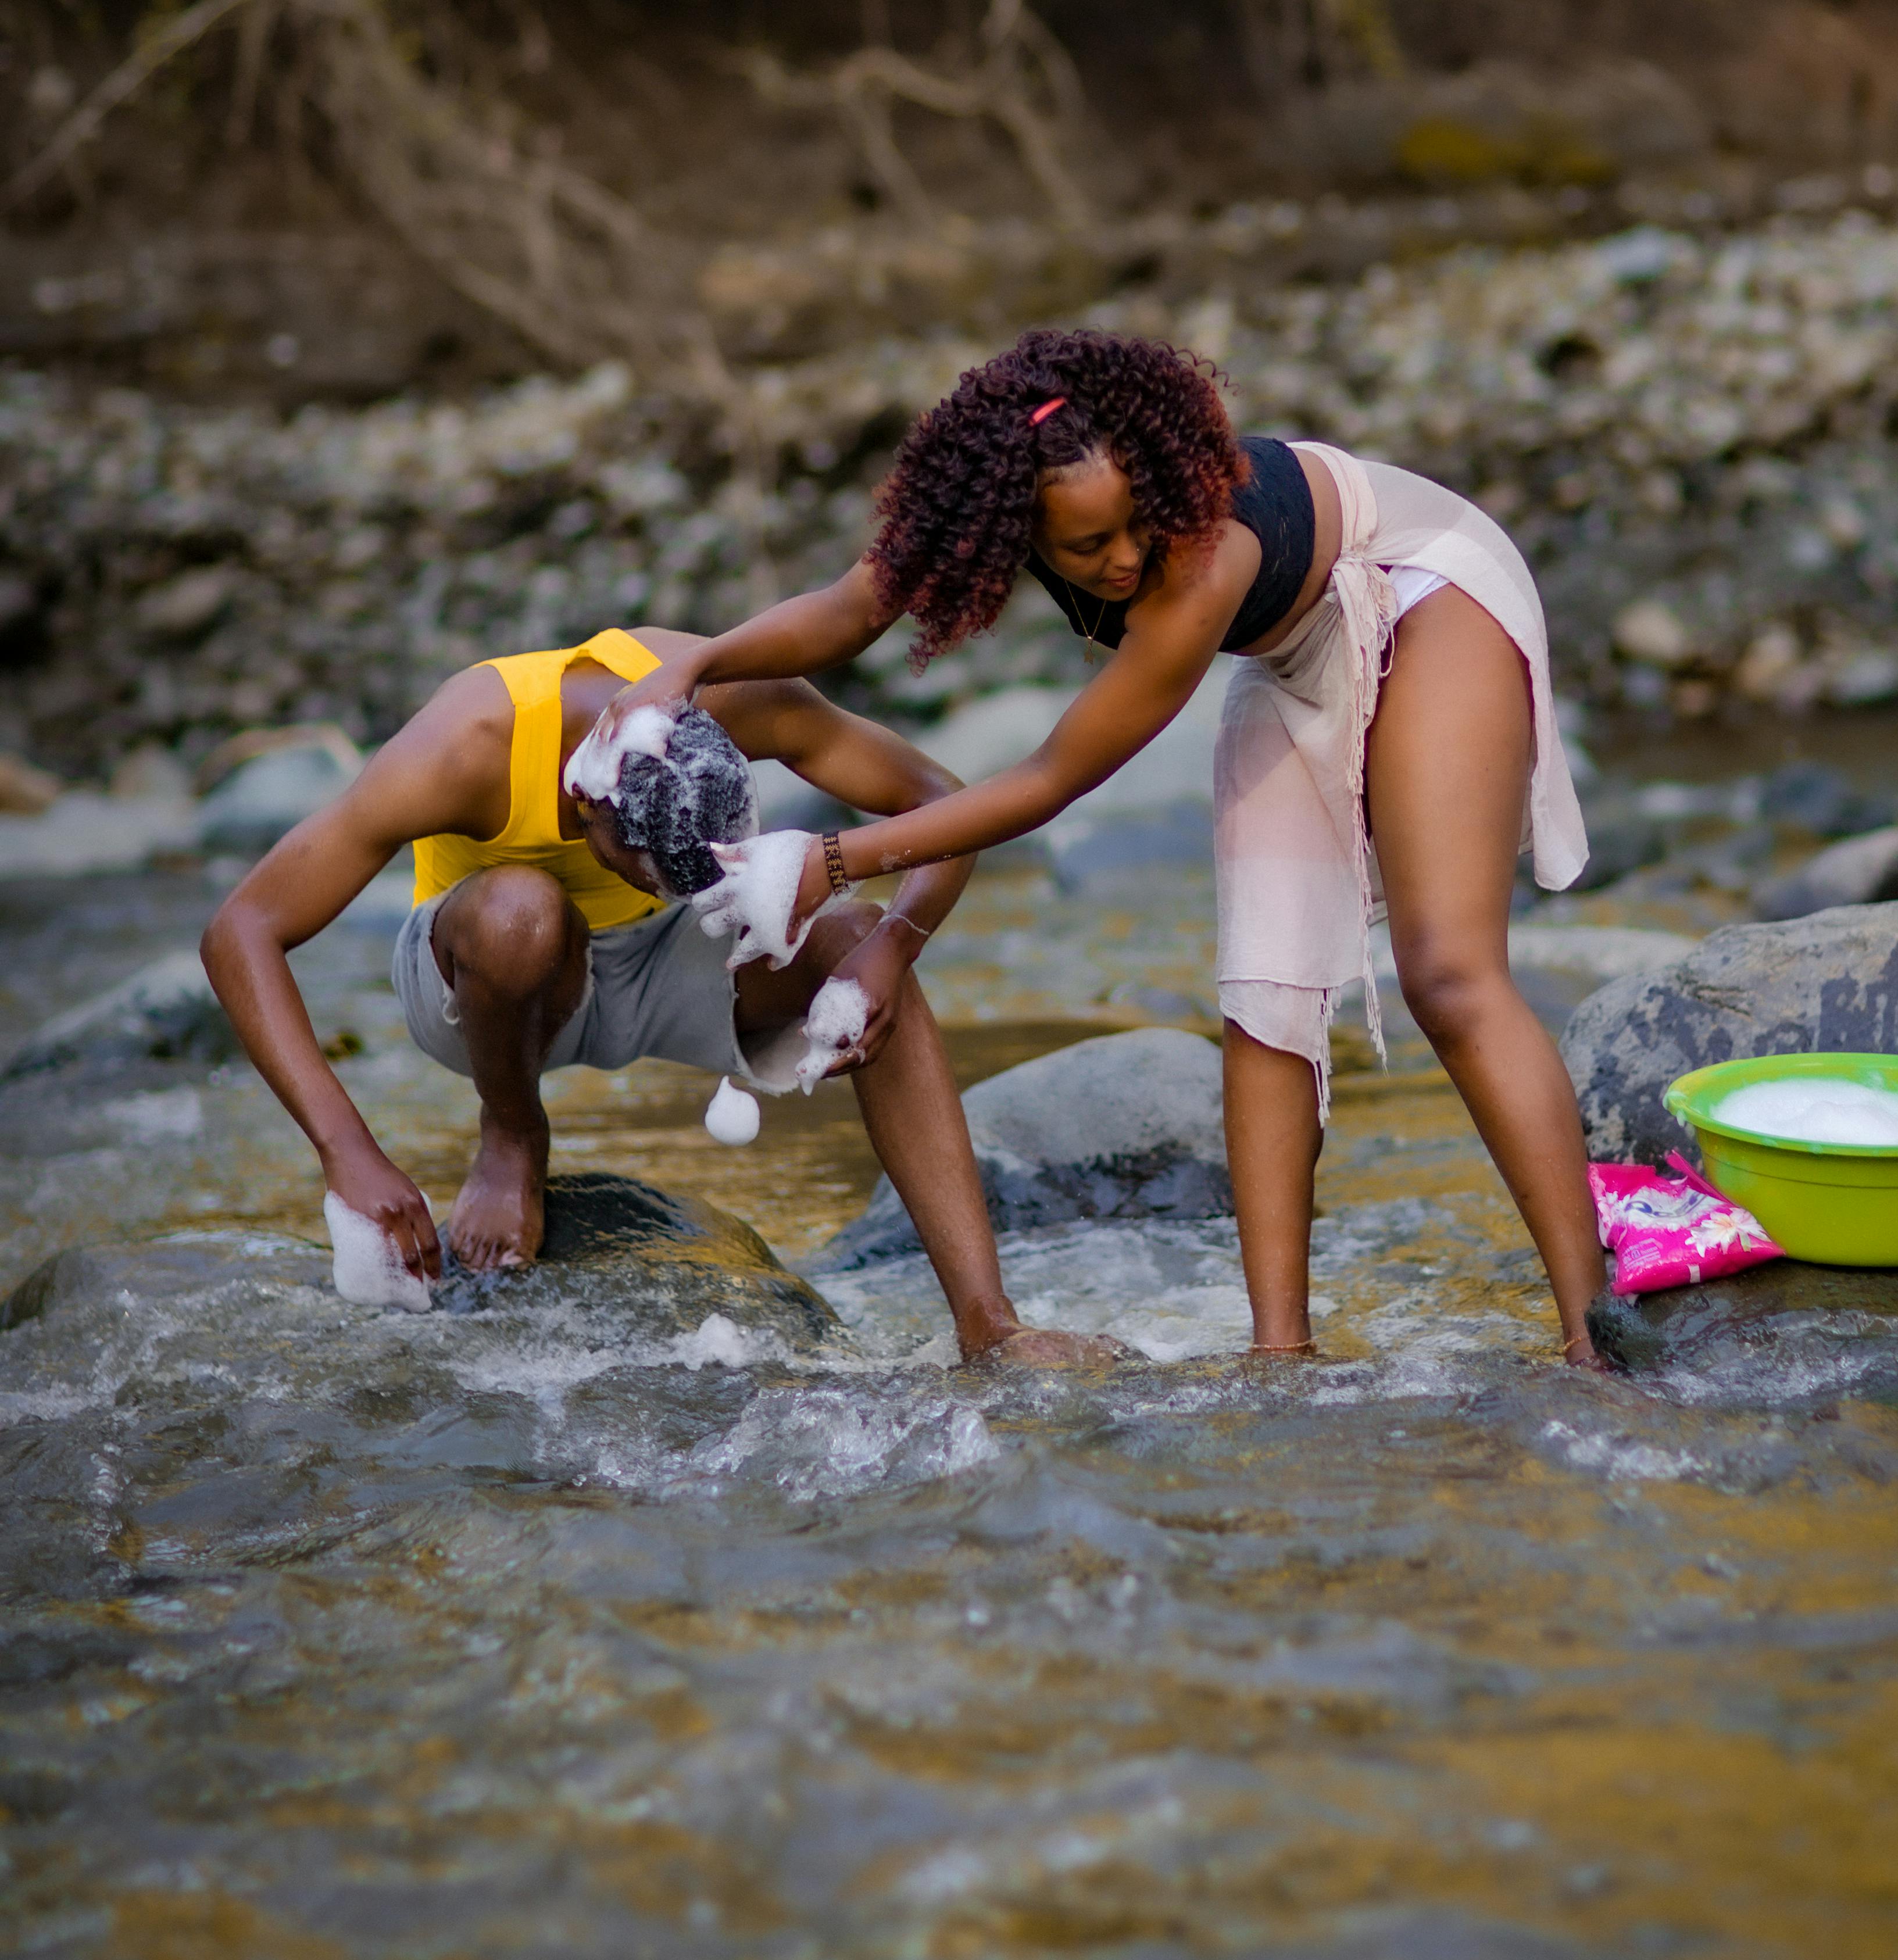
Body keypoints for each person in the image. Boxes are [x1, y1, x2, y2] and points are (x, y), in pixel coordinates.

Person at [596, 334, 1611, 1367]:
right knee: (1262, 991)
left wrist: (838, 859)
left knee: (1445, 974)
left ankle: (1591, 1332)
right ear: (1016, 527)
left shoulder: (1203, 559)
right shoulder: (991, 513)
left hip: (1423, 591)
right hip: (1291, 653)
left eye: (1135, 523)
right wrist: (699, 666)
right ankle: (1280, 1358)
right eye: (1087, 548)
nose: (1123, 558)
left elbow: (1049, 779)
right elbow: (851, 611)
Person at [201, 624, 1109, 1365]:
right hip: (489, 987)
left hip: (669, 968)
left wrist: (891, 951)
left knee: (857, 932)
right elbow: (240, 931)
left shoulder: (730, 694)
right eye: (651, 869)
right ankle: (512, 1132)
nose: (679, 883)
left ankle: (989, 1327)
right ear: (586, 797)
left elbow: (941, 802)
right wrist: (347, 1151)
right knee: (524, 907)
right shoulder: (464, 745)